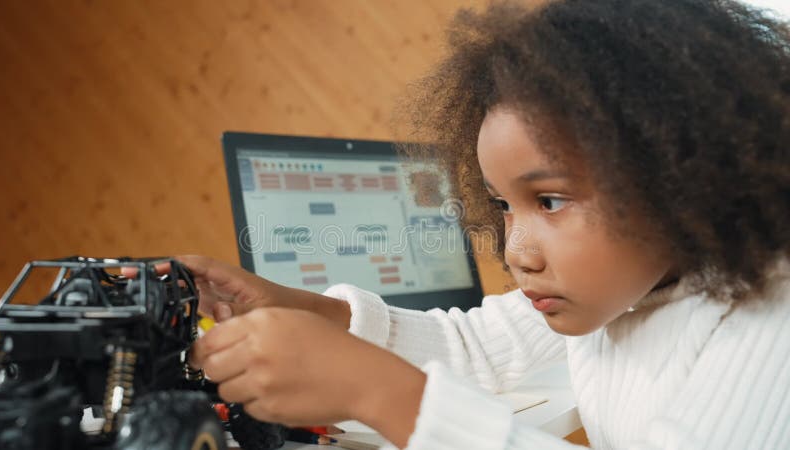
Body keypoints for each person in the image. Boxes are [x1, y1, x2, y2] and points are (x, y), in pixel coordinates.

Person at [183, 0, 790, 448]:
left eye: (549, 201)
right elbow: (477, 346)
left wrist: (383, 394)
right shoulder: (620, 292)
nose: (517, 251)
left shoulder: (773, 319)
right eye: (502, 205)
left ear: (677, 173)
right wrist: (300, 310)